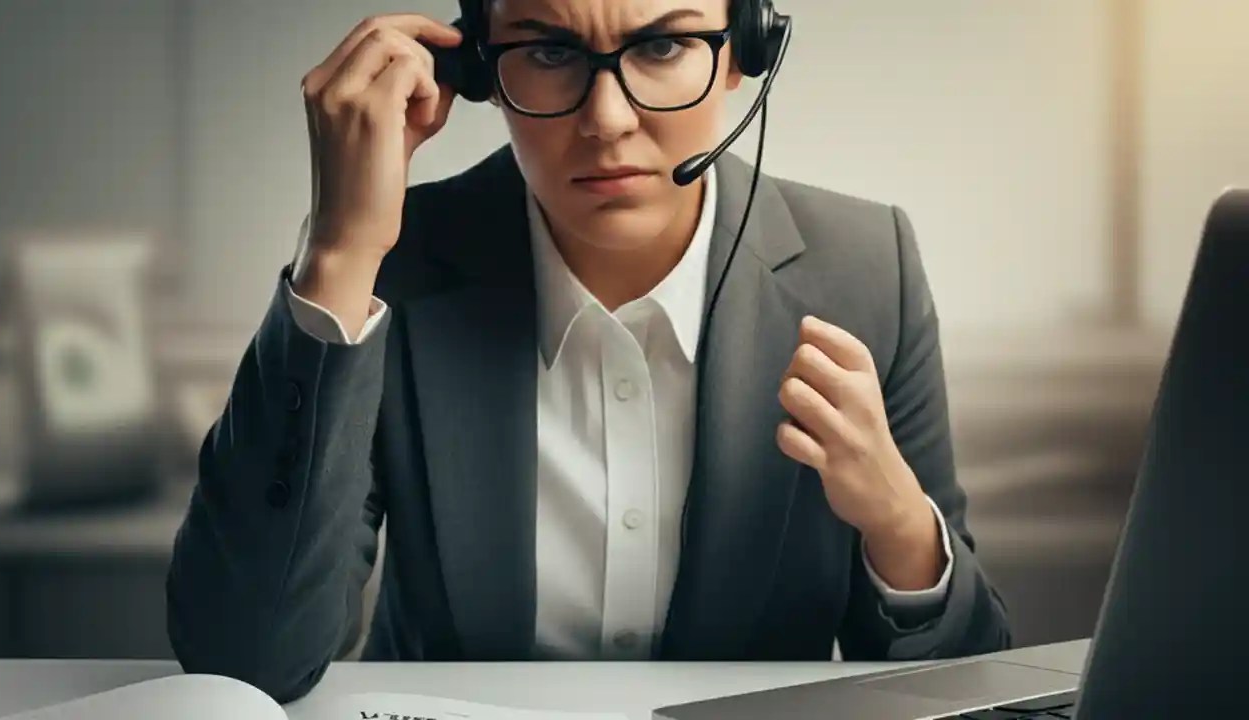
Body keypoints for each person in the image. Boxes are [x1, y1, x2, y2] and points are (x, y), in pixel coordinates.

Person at [166, 0, 1012, 704]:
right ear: (478, 70)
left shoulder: (867, 268)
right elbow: (247, 661)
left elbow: (956, 683)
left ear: (743, 52)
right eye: (547, 50)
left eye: (664, 44)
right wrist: (342, 255)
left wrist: (899, 526)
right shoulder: (394, 265)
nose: (607, 120)